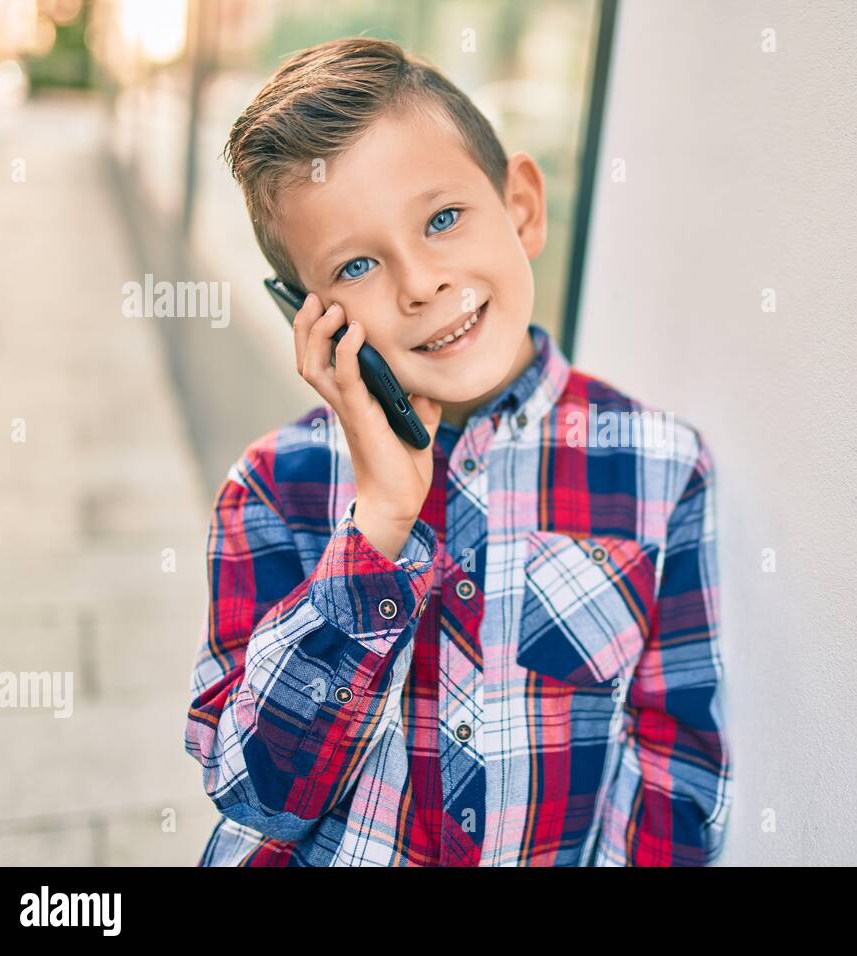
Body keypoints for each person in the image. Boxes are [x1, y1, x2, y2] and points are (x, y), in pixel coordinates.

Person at [183, 37, 730, 866]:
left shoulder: (658, 468)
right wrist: (379, 529)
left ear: (522, 207)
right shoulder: (271, 490)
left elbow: (675, 764)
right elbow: (259, 794)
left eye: (443, 219)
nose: (420, 283)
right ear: (309, 315)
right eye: (358, 263)